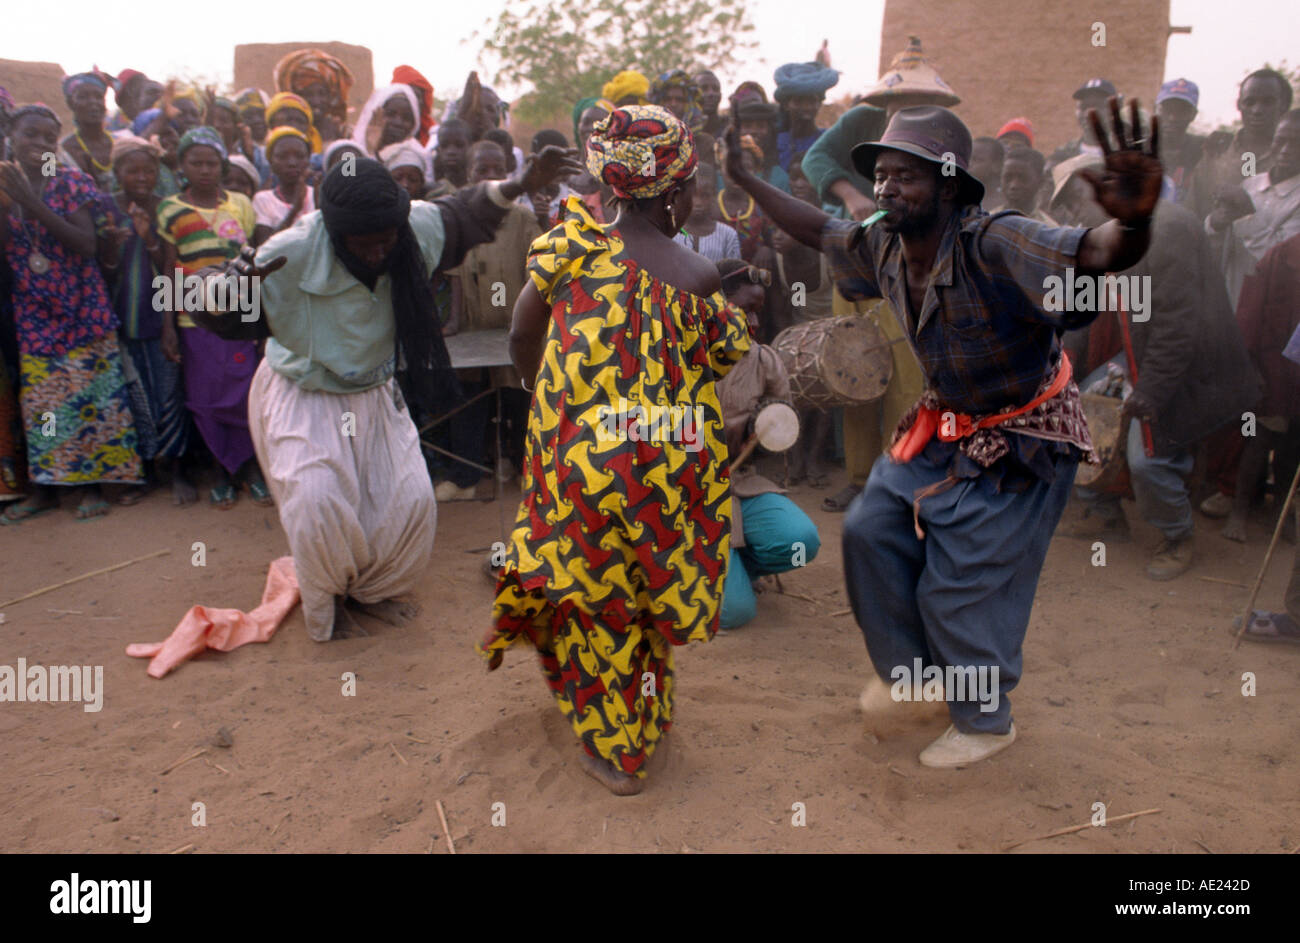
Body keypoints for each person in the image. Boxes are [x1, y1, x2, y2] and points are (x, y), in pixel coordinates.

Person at [725, 99, 1164, 766]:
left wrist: (1132, 220)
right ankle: (917, 680)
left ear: (951, 185)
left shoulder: (996, 239)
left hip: (1025, 441)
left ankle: (987, 720)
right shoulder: (884, 240)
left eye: (908, 175)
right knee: (872, 529)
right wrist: (747, 180)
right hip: (945, 425)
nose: (889, 187)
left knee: (957, 583)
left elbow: (1095, 251)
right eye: (883, 175)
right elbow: (819, 227)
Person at [195, 145, 580, 642]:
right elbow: (213, 304)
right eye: (365, 244)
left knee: (409, 504)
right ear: (335, 234)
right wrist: (225, 290)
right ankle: (331, 601)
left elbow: (465, 212)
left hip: (374, 391)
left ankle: (371, 591)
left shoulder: (410, 227)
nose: (380, 251)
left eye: (386, 241)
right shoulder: (285, 253)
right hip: (304, 394)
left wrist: (522, 181)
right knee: (317, 505)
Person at [480, 105, 750, 795]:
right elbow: (718, 359)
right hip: (666, 472)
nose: (693, 198)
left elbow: (520, 338)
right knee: (646, 588)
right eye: (689, 186)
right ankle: (646, 721)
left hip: (579, 465)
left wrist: (552, 396)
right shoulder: (697, 276)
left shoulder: (567, 250)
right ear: (672, 194)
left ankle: (619, 750)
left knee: (591, 601)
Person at [1053, 156, 1260, 580]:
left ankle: (1178, 535)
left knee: (1148, 458)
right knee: (1075, 419)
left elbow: (1178, 329)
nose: (1073, 213)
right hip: (1141, 357)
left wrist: (1148, 393)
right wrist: (1064, 379)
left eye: (1077, 200)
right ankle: (1107, 515)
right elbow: (1081, 310)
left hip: (1194, 369)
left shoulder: (1166, 228)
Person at [1, 104, 143, 523]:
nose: (41, 144)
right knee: (43, 405)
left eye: (49, 137)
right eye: (31, 135)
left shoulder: (70, 184)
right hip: (34, 311)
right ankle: (46, 486)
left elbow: (85, 244)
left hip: (82, 309)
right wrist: (13, 200)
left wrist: (31, 201)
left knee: (91, 400)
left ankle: (95, 485)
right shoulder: (5, 187)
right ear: (12, 134)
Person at [155, 127, 269, 509]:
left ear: (222, 164)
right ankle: (223, 471)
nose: (204, 169)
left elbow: (252, 261)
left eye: (211, 162)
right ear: (182, 166)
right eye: (195, 162)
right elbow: (170, 268)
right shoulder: (170, 209)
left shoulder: (240, 203)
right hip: (195, 318)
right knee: (205, 399)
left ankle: (251, 469)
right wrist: (168, 325)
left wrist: (259, 321)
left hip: (239, 316)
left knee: (244, 395)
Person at [714, 258, 820, 629]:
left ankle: (739, 563)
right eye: (745, 310)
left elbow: (783, 425)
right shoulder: (671, 354)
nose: (755, 322)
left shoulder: (763, 359)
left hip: (739, 482)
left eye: (758, 311)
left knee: (799, 545)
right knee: (734, 615)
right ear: (713, 303)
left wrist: (769, 424)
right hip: (683, 494)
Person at [440, 138, 541, 498]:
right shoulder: (457, 216)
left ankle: (524, 466)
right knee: (470, 399)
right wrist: (453, 322)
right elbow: (452, 273)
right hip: (473, 323)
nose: (491, 176)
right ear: (468, 174)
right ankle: (465, 476)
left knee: (520, 399)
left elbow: (537, 274)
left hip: (514, 324)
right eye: (482, 170)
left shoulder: (523, 218)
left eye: (498, 170)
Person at [96, 135, 193, 506]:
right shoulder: (104, 209)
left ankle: (179, 468)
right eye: (132, 170)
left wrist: (147, 237)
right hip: (123, 317)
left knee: (170, 393)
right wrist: (112, 246)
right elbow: (103, 269)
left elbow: (170, 268)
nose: (141, 177)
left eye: (148, 170)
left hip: (161, 317)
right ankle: (147, 471)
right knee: (136, 394)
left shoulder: (166, 209)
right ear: (117, 172)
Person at [1220, 233, 1300, 545]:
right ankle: (1239, 510)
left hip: (1298, 378)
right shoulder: (1279, 258)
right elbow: (1250, 314)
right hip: (1273, 369)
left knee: (1292, 447)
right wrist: (1250, 366)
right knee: (1257, 439)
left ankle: (1280, 511)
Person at [1207, 109, 1300, 308]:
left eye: (1296, 143)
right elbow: (1223, 241)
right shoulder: (1251, 183)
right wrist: (1215, 222)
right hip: (1229, 298)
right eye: (1280, 140)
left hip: (1271, 308)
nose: (1285, 149)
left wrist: (1247, 215)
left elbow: (1283, 261)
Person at [1190, 69, 1292, 222]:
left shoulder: (1293, 158)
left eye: (1267, 102)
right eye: (1249, 102)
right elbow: (1193, 209)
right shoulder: (1217, 152)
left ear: (1284, 106)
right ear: (1239, 105)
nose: (1257, 110)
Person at [273, 48, 355, 145]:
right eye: (308, 94)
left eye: (322, 93)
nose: (316, 101)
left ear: (331, 96)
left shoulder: (345, 134)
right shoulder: (280, 135)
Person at [715, 135, 775, 263]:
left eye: (746, 167)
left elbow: (776, 242)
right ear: (720, 169)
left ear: (755, 171)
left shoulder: (763, 208)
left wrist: (767, 250)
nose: (737, 173)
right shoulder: (711, 207)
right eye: (730, 166)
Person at [252, 128, 315, 246]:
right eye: (282, 157)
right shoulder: (263, 200)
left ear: (308, 160)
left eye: (300, 156)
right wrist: (295, 209)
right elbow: (264, 248)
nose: (292, 163)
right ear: (271, 162)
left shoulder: (317, 195)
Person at [773, 61, 839, 174]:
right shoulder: (775, 142)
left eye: (812, 101)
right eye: (798, 102)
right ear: (786, 105)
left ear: (819, 104)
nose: (806, 107)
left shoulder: (829, 140)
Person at [58, 72, 116, 192]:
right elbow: (48, 187)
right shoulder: (59, 152)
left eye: (98, 97)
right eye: (83, 97)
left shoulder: (122, 143)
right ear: (70, 103)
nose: (93, 102)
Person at [673, 162, 742, 261]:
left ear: (714, 195)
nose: (698, 203)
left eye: (705, 195)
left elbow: (734, 273)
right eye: (693, 194)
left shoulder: (728, 235)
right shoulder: (670, 234)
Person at [1047, 78, 1119, 171]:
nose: (1088, 113)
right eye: (1083, 107)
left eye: (1098, 106)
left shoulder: (1127, 156)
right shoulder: (1062, 156)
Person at [1154, 78, 1204, 207]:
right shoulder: (1140, 148)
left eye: (1181, 111)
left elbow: (1248, 161)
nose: (1172, 118)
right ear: (1157, 110)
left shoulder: (1203, 150)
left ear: (1193, 115)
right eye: (1167, 109)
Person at [352, 85, 420, 158]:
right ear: (373, 116)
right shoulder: (350, 151)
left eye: (406, 118)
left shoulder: (416, 156)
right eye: (390, 114)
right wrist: (370, 150)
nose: (398, 123)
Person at [1000, 148, 1055, 223]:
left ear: (1041, 182)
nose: (1013, 185)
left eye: (1023, 179)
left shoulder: (1047, 229)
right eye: (1008, 177)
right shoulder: (985, 222)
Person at [391, 65, 436, 146]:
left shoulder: (433, 133)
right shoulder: (379, 126)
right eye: (408, 94)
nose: (413, 100)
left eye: (417, 96)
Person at [431, 119, 470, 193]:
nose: (451, 151)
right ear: (438, 149)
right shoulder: (432, 189)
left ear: (470, 146)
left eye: (459, 145)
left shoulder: (476, 189)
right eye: (444, 145)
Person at [970, 137, 1005, 211]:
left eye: (977, 160)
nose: (970, 164)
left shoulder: (1004, 202)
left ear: (997, 166)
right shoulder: (960, 196)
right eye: (969, 158)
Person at [694, 70, 725, 136]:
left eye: (715, 89)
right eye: (704, 88)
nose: (711, 93)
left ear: (720, 96)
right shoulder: (683, 131)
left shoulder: (729, 130)